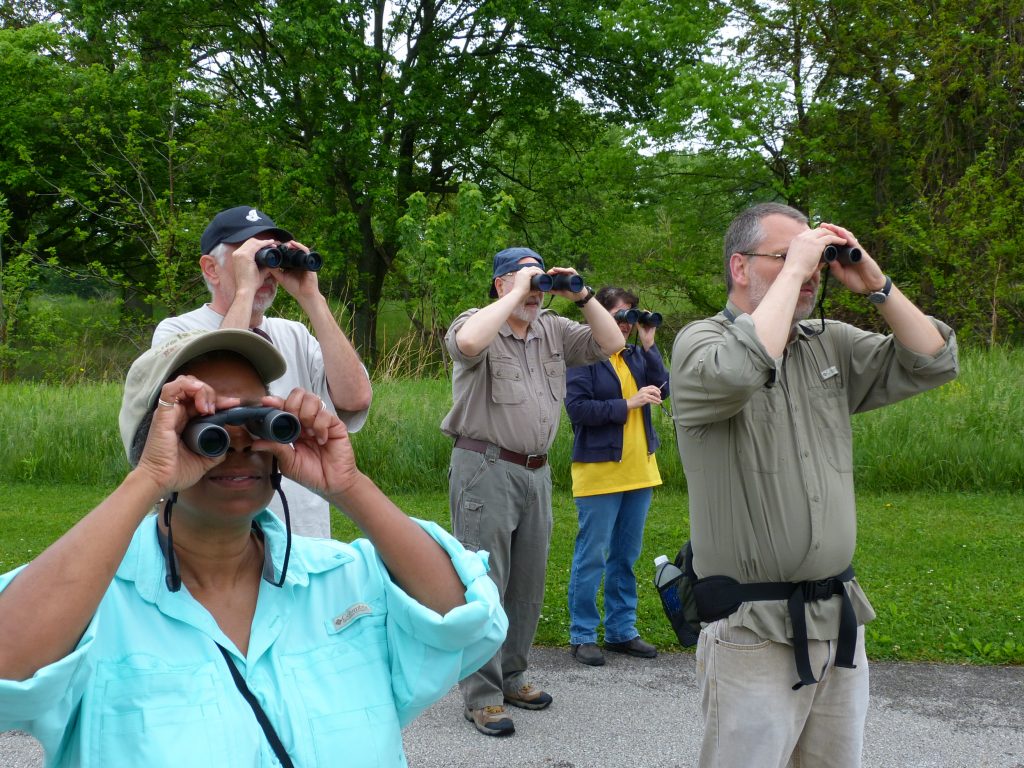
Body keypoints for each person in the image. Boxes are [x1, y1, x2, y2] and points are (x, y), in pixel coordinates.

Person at [0, 328, 506, 767]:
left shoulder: (343, 581)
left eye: (255, 416)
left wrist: (347, 484)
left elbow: (465, 621)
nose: (238, 441)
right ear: (155, 439)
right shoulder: (88, 606)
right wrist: (149, 478)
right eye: (208, 424)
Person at [670, 202, 959, 767]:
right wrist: (799, 268)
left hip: (836, 622)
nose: (808, 273)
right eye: (784, 257)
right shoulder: (699, 344)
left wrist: (875, 283)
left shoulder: (828, 344)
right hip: (751, 633)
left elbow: (933, 359)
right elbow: (739, 371)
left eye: (814, 261)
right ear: (739, 266)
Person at [441, 247, 625, 736]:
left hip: (536, 473)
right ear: (500, 285)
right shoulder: (477, 321)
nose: (534, 292)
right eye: (522, 281)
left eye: (539, 282)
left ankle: (512, 674)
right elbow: (467, 344)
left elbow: (609, 343)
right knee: (486, 581)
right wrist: (518, 289)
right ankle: (480, 694)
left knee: (526, 583)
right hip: (486, 467)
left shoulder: (553, 330)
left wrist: (582, 295)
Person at [153, 205, 373, 538]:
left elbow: (355, 400)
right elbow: (213, 399)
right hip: (215, 537)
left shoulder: (294, 334)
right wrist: (245, 292)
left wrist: (312, 297)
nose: (264, 270)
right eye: (250, 256)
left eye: (269, 254)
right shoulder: (176, 332)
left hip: (302, 535)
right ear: (211, 269)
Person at [564, 286, 669, 667]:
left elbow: (664, 389)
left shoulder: (634, 356)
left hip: (639, 471)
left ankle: (621, 631)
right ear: (599, 315)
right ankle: (583, 634)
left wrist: (649, 344)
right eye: (620, 316)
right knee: (592, 555)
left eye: (631, 316)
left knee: (625, 556)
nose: (625, 324)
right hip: (599, 472)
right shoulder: (582, 356)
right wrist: (629, 403)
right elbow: (577, 410)